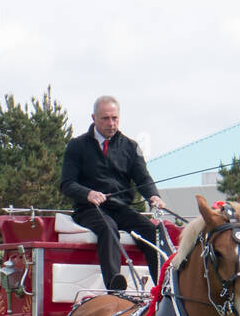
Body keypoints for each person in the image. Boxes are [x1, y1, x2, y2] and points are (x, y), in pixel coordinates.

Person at [60, 95, 163, 291]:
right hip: (89, 209)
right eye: (105, 118)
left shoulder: (130, 147)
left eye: (115, 118)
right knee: (108, 229)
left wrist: (153, 196)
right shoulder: (77, 146)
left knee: (152, 231)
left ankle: (163, 286)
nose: (111, 123)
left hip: (121, 208)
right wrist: (88, 193)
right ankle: (115, 286)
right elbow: (67, 184)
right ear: (94, 118)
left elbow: (143, 179)